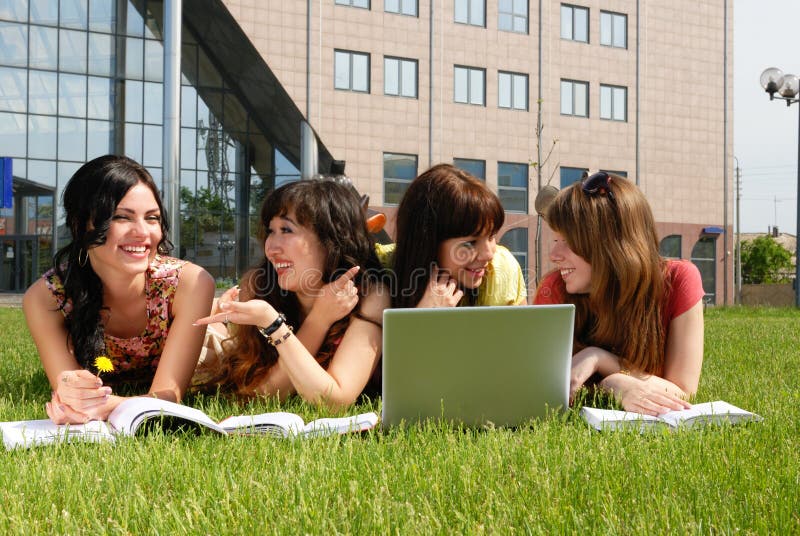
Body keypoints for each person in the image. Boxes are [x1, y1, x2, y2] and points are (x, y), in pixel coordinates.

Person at [22, 155, 215, 424]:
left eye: (152, 218)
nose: (143, 232)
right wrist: (73, 395)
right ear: (80, 224)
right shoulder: (46, 297)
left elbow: (168, 398)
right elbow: (69, 392)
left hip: (213, 349)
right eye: (122, 217)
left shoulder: (189, 283)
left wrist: (101, 406)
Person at [193, 179, 389, 407]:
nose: (271, 248)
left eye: (286, 230)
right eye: (271, 231)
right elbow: (262, 396)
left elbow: (334, 401)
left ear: (332, 240)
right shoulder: (261, 287)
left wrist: (276, 326)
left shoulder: (369, 295)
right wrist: (315, 321)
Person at [534, 171, 705, 416]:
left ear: (610, 244)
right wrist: (610, 385)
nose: (554, 256)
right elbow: (542, 386)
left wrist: (600, 360)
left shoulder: (678, 280)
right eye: (555, 241)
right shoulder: (555, 289)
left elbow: (684, 392)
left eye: (568, 242)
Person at [384, 163, 527, 309]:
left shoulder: (503, 267)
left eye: (491, 236)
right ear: (427, 242)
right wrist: (423, 317)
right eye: (471, 243)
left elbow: (527, 324)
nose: (489, 255)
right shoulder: (378, 271)